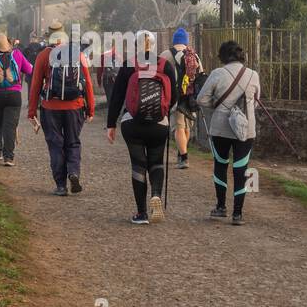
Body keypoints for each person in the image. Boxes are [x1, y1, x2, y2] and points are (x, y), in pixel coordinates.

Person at [107, 30, 180, 225]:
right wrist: (163, 113)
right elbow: (174, 97)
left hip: (132, 123)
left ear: (136, 46)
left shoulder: (129, 65)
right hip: (159, 124)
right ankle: (156, 194)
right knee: (156, 162)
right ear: (154, 46)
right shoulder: (165, 66)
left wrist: (110, 124)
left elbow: (117, 97)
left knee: (138, 165)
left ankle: (141, 214)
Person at [196, 39, 261, 226]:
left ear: (223, 56)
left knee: (220, 164)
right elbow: (255, 102)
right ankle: (238, 214)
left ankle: (221, 207)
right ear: (241, 56)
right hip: (246, 129)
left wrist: (217, 106)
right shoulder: (253, 75)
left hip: (220, 127)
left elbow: (201, 99)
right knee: (241, 168)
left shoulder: (217, 73)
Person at [27, 20, 95, 196]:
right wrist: (91, 109)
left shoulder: (44, 55)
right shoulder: (77, 54)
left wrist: (32, 111)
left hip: (51, 107)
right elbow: (87, 83)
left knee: (55, 145)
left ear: (49, 36)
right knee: (72, 142)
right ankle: (73, 172)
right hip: (75, 106)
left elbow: (35, 85)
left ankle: (61, 185)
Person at [0, 33, 35, 166]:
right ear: (8, 44)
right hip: (14, 95)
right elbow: (29, 69)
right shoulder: (17, 54)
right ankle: (9, 157)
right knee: (10, 126)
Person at [159, 27, 201, 169]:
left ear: (174, 40)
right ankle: (181, 152)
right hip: (190, 98)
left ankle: (184, 157)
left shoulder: (165, 54)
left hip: (174, 97)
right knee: (186, 127)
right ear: (186, 41)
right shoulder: (194, 56)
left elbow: (158, 75)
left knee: (178, 128)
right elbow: (201, 75)